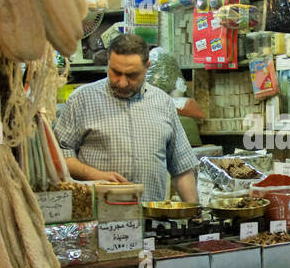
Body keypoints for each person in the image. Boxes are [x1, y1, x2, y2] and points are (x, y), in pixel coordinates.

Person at [54, 33, 199, 202]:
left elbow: (182, 168)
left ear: (147, 67)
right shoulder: (81, 100)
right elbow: (59, 156)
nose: (122, 83)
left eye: (132, 75)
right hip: (98, 220)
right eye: (115, 73)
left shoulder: (163, 102)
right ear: (108, 63)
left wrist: (194, 214)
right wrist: (97, 176)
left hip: (151, 221)